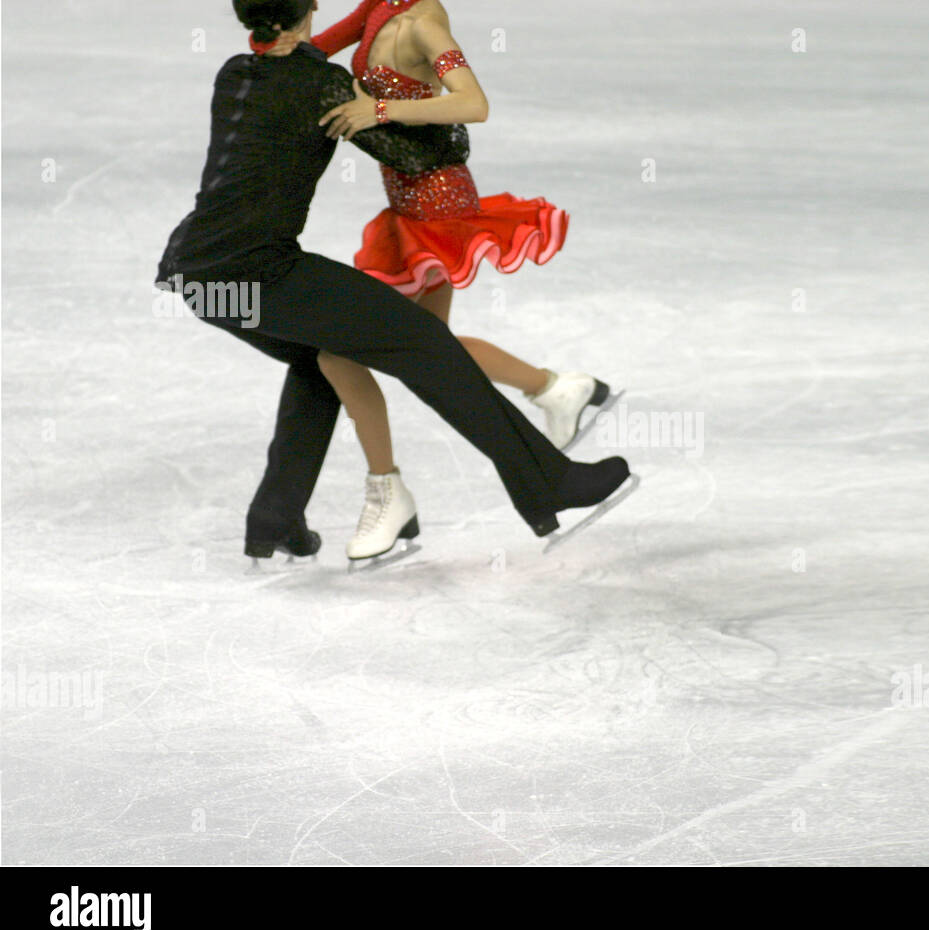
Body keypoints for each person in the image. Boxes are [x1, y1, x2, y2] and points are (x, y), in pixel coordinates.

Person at [157, 0, 634, 563]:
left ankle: (276, 516)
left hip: (197, 280)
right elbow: (423, 157)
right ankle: (548, 484)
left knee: (319, 361)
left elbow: (302, 53)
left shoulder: (235, 72)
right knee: (427, 343)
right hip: (264, 273)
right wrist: (387, 106)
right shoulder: (325, 86)